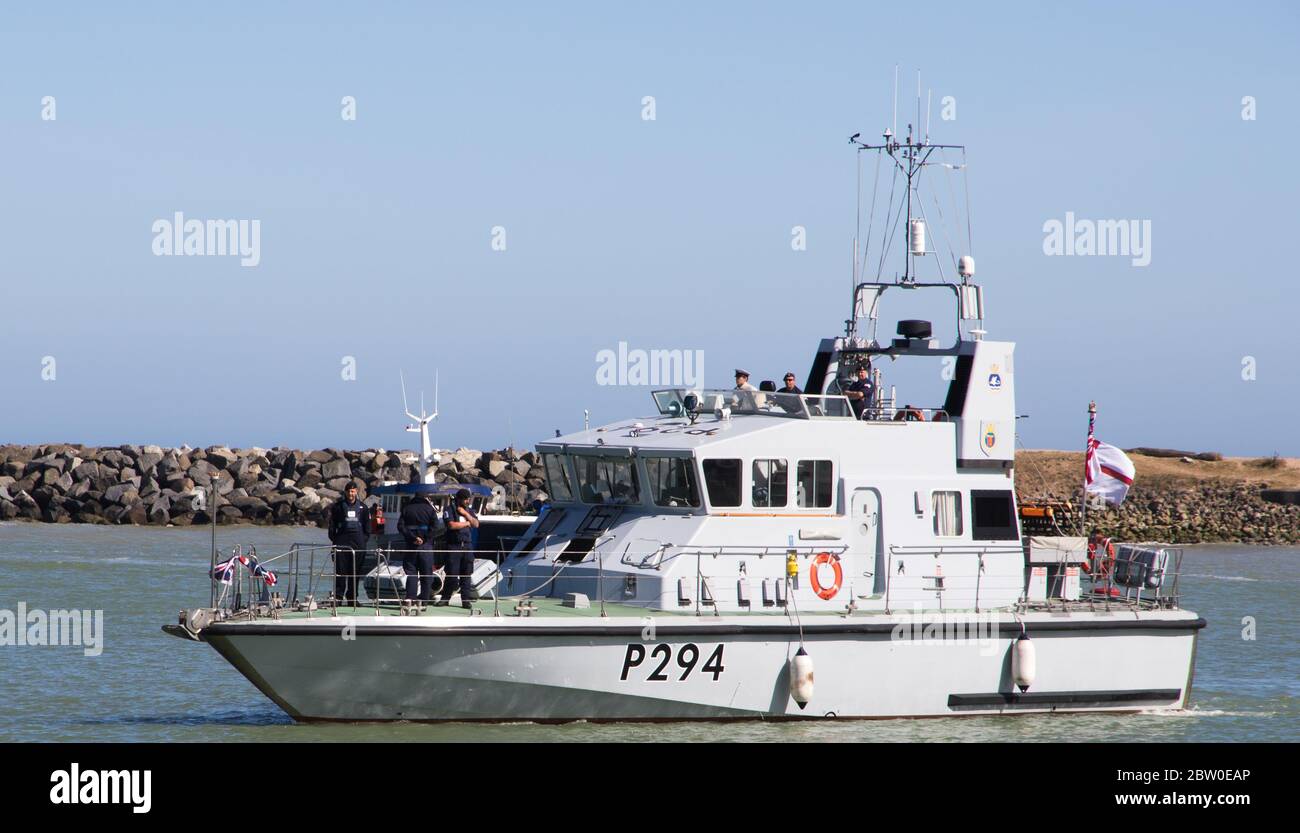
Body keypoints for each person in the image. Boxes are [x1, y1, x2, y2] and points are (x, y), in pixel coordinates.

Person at [327, 482, 371, 606]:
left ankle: (352, 598)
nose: (351, 494)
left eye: (353, 491)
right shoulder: (338, 507)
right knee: (340, 572)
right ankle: (338, 598)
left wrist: (363, 540)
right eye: (349, 491)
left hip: (358, 544)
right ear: (345, 492)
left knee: (355, 572)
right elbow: (332, 526)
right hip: (342, 542)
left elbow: (367, 527)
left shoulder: (363, 508)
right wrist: (335, 540)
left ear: (356, 492)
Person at [397, 491, 442, 607]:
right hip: (426, 547)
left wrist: (413, 538)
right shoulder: (430, 509)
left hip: (411, 546)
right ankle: (424, 600)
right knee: (426, 574)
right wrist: (424, 538)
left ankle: (410, 598)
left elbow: (400, 526)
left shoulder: (407, 509)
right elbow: (435, 527)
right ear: (425, 498)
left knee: (411, 573)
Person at [438, 488, 480, 608]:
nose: (468, 501)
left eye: (468, 499)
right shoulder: (449, 510)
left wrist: (466, 514)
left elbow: (476, 524)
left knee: (466, 575)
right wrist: (467, 523)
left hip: (467, 546)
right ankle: (445, 598)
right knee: (451, 574)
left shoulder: (469, 511)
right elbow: (451, 525)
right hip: (454, 546)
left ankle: (465, 600)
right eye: (466, 499)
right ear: (460, 499)